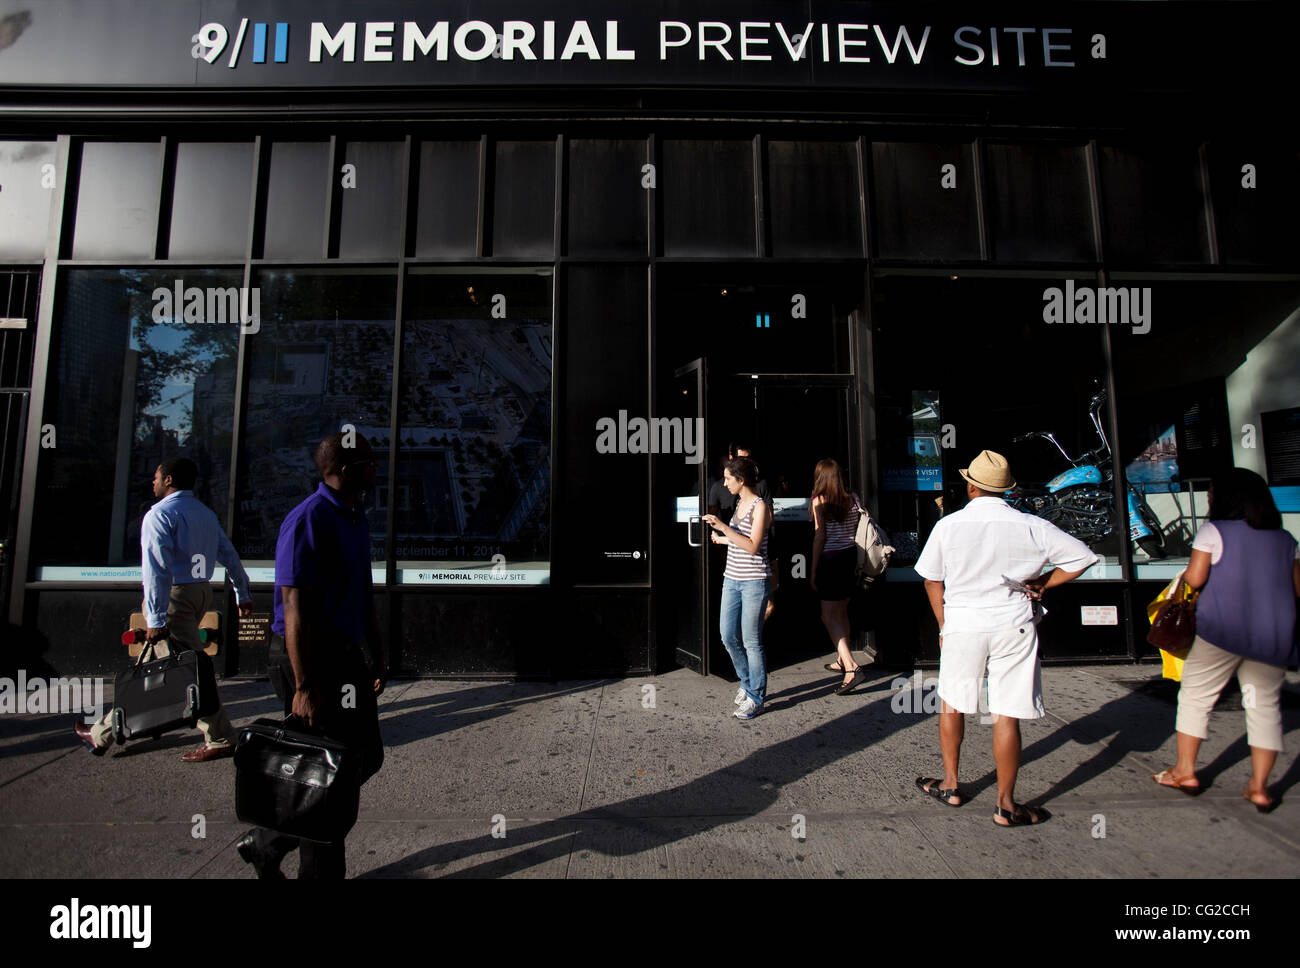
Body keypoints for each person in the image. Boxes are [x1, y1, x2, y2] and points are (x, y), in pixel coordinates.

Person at [913, 449, 1097, 826]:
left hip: (963, 623)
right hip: (1013, 624)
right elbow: (1081, 557)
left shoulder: (949, 526)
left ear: (970, 487)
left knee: (952, 704)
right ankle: (1006, 804)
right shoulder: (1031, 525)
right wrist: (1044, 582)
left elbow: (932, 578)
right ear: (1006, 489)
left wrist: (943, 624)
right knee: (1006, 714)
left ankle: (950, 785)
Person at [235, 432, 387, 879]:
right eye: (367, 462)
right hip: (307, 660)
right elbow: (292, 609)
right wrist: (303, 687)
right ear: (341, 470)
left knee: (365, 757)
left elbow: (362, 590)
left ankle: (268, 841)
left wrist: (376, 654)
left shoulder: (355, 515)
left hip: (345, 657)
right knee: (326, 775)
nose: (375, 469)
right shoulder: (307, 520)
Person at [74, 457, 253, 761]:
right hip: (200, 592)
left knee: (189, 671)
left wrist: (155, 617)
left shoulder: (159, 515)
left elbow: (156, 570)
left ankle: (220, 737)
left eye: (156, 478)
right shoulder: (204, 514)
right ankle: (102, 733)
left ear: (169, 480)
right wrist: (242, 591)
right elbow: (228, 552)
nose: (152, 482)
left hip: (175, 598)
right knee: (182, 666)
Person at [1151, 468, 1299, 812]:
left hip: (1222, 632)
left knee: (1196, 697)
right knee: (1264, 708)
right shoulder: (1285, 539)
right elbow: (1297, 588)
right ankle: (1260, 787)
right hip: (1272, 636)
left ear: (1227, 497)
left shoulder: (1213, 531)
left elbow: (1196, 578)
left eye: (1212, 491)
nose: (1208, 496)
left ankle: (1185, 771)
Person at [702, 456, 772, 720]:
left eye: (728, 478)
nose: (724, 483)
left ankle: (756, 697)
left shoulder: (759, 506)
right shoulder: (739, 503)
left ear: (741, 480)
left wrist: (723, 527)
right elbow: (740, 540)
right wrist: (722, 538)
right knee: (727, 635)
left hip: (754, 581)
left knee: (752, 641)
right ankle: (746, 681)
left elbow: (753, 546)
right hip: (731, 578)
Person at [809, 459, 865, 695]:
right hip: (849, 557)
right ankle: (842, 659)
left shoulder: (819, 501)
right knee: (841, 611)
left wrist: (813, 569)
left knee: (827, 615)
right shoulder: (852, 498)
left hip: (830, 559)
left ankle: (851, 667)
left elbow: (820, 537)